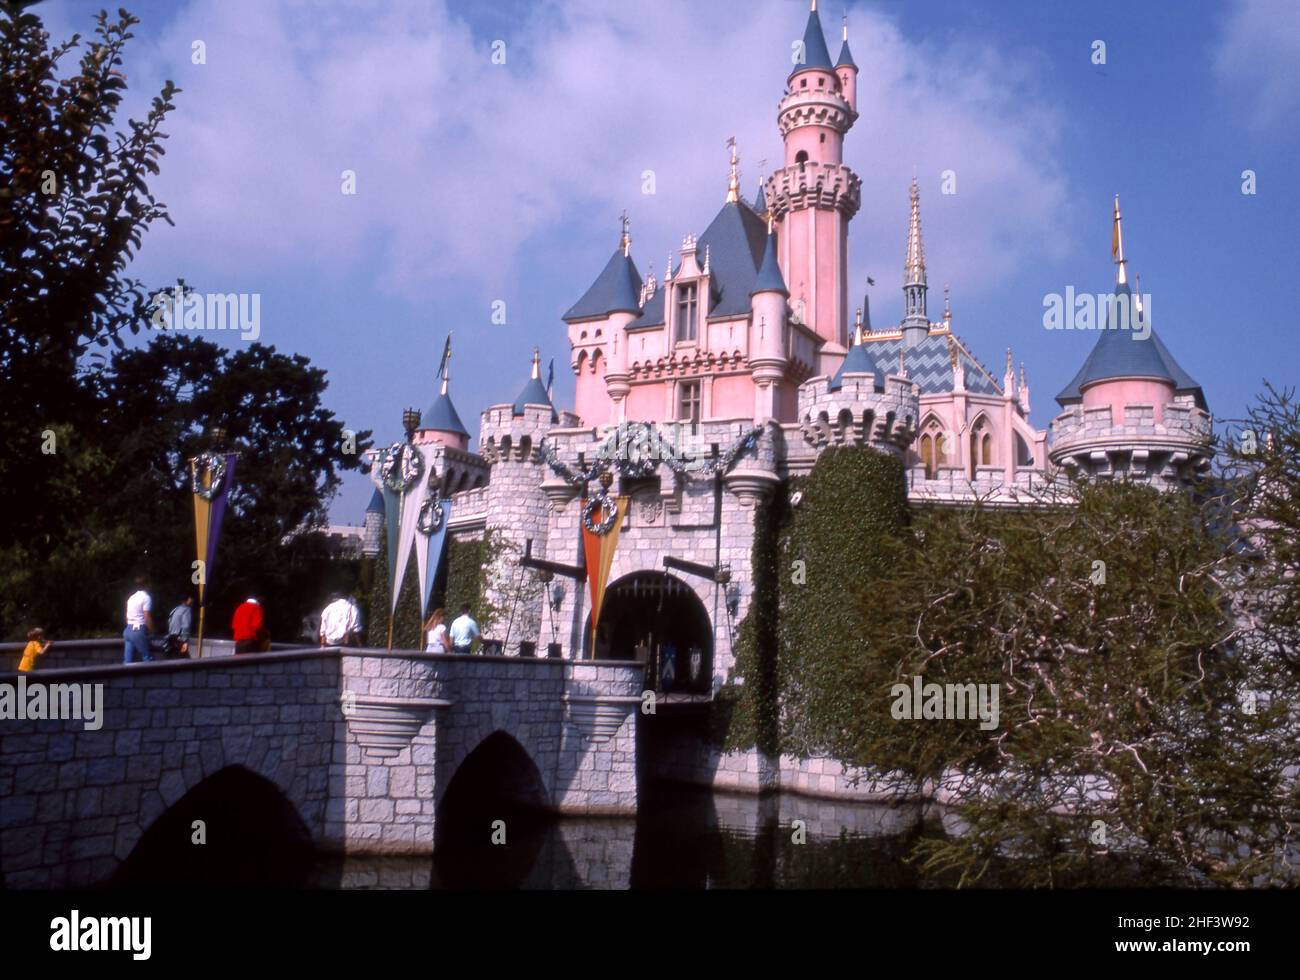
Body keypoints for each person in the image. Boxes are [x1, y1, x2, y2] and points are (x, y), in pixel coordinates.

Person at [123, 575, 154, 664]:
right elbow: (147, 616)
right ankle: (150, 677)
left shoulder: (131, 598)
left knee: (127, 661)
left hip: (128, 630)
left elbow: (126, 616)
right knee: (147, 658)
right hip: (138, 629)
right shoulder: (146, 598)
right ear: (147, 585)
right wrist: (152, 631)